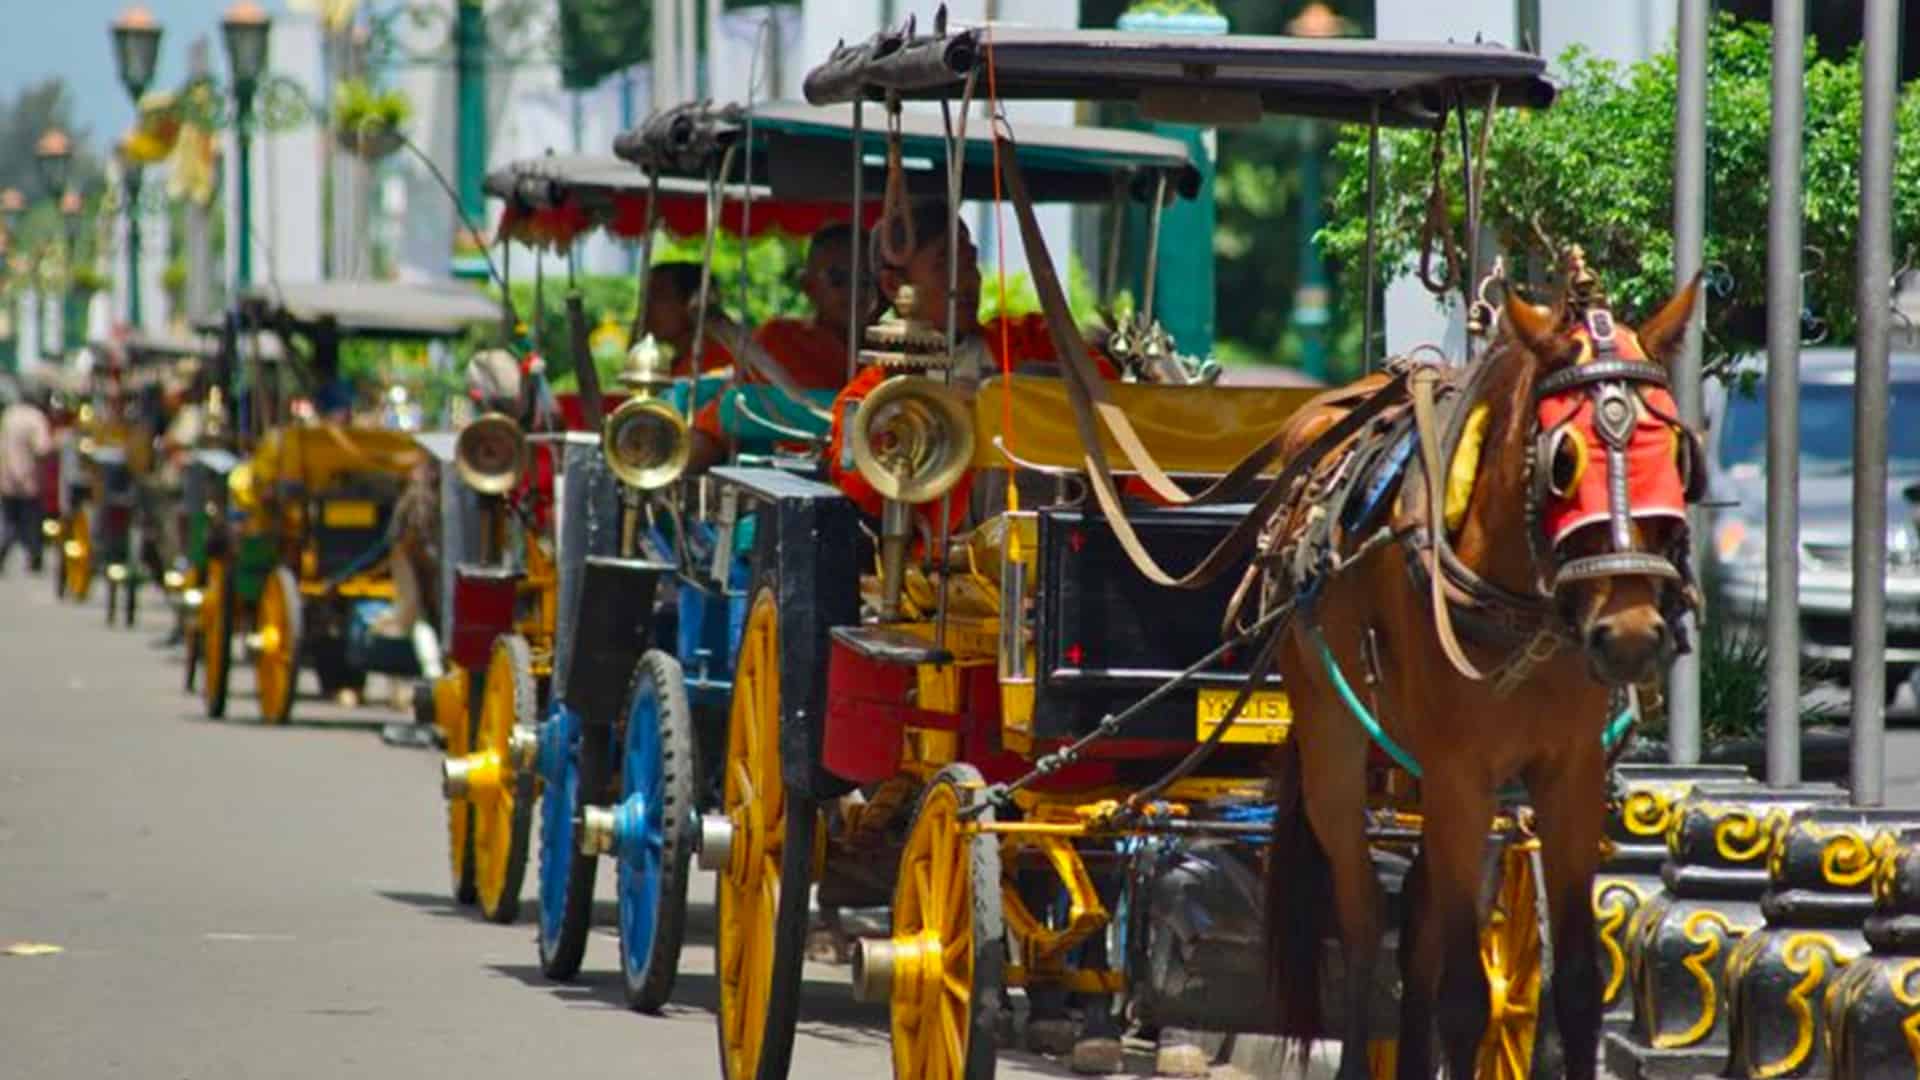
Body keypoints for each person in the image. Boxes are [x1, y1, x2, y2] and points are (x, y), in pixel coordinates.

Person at [690, 223, 877, 469]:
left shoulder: (898, 350)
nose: (856, 291)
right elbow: (718, 424)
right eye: (839, 279)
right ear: (808, 286)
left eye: (867, 280)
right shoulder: (779, 340)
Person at [0, 388, 54, 574]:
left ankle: (3, 551)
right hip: (28, 479)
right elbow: (43, 448)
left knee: (9, 520)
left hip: (7, 478)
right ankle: (35, 557)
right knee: (31, 520)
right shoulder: (36, 418)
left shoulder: (9, 415)